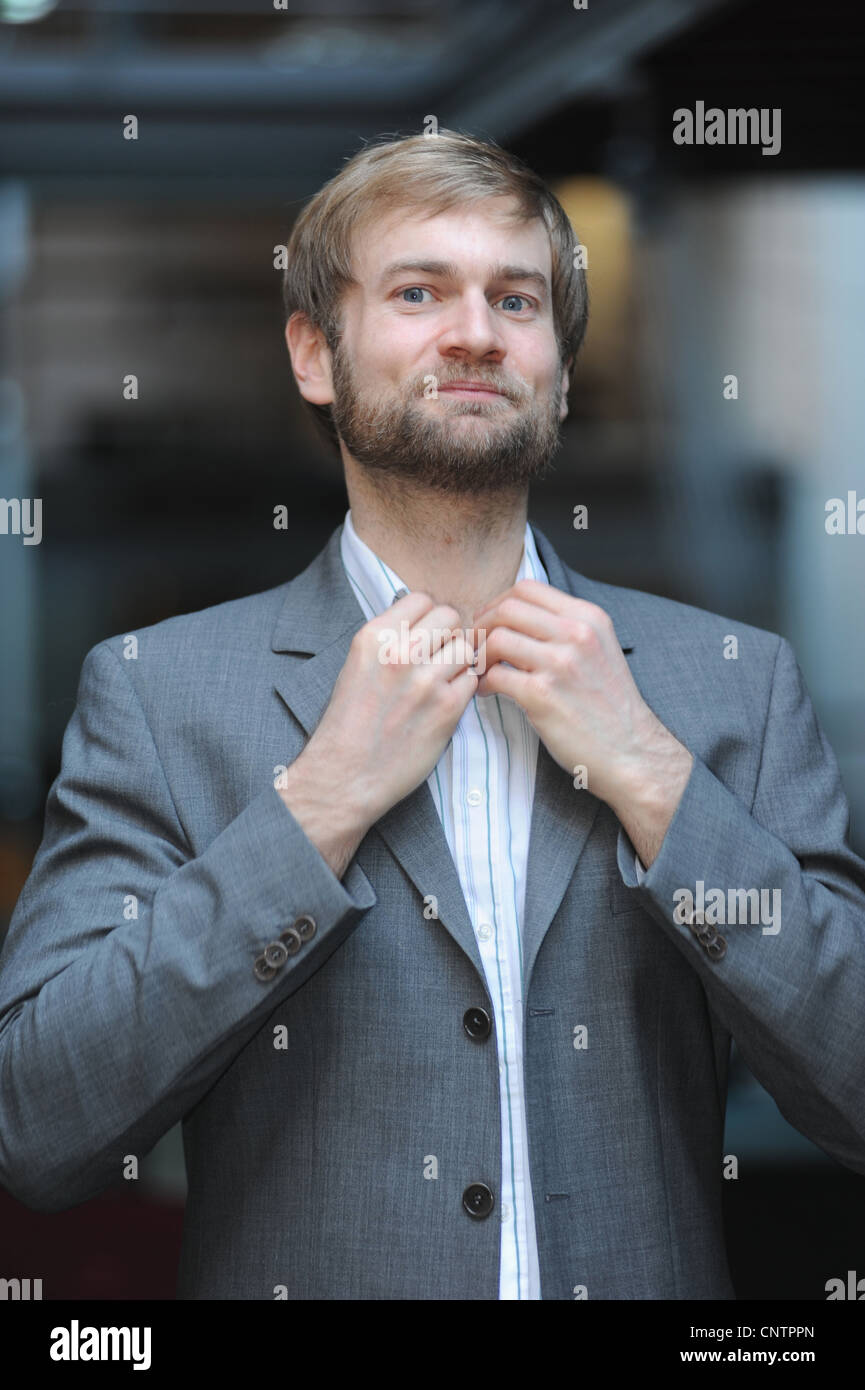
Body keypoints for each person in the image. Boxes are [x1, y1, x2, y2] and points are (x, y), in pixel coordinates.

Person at [2, 130, 864, 1301]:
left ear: (557, 367)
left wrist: (656, 780)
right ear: (315, 351)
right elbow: (41, 1127)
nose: (475, 332)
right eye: (419, 291)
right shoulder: (156, 694)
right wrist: (319, 804)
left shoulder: (731, 684)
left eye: (516, 299)